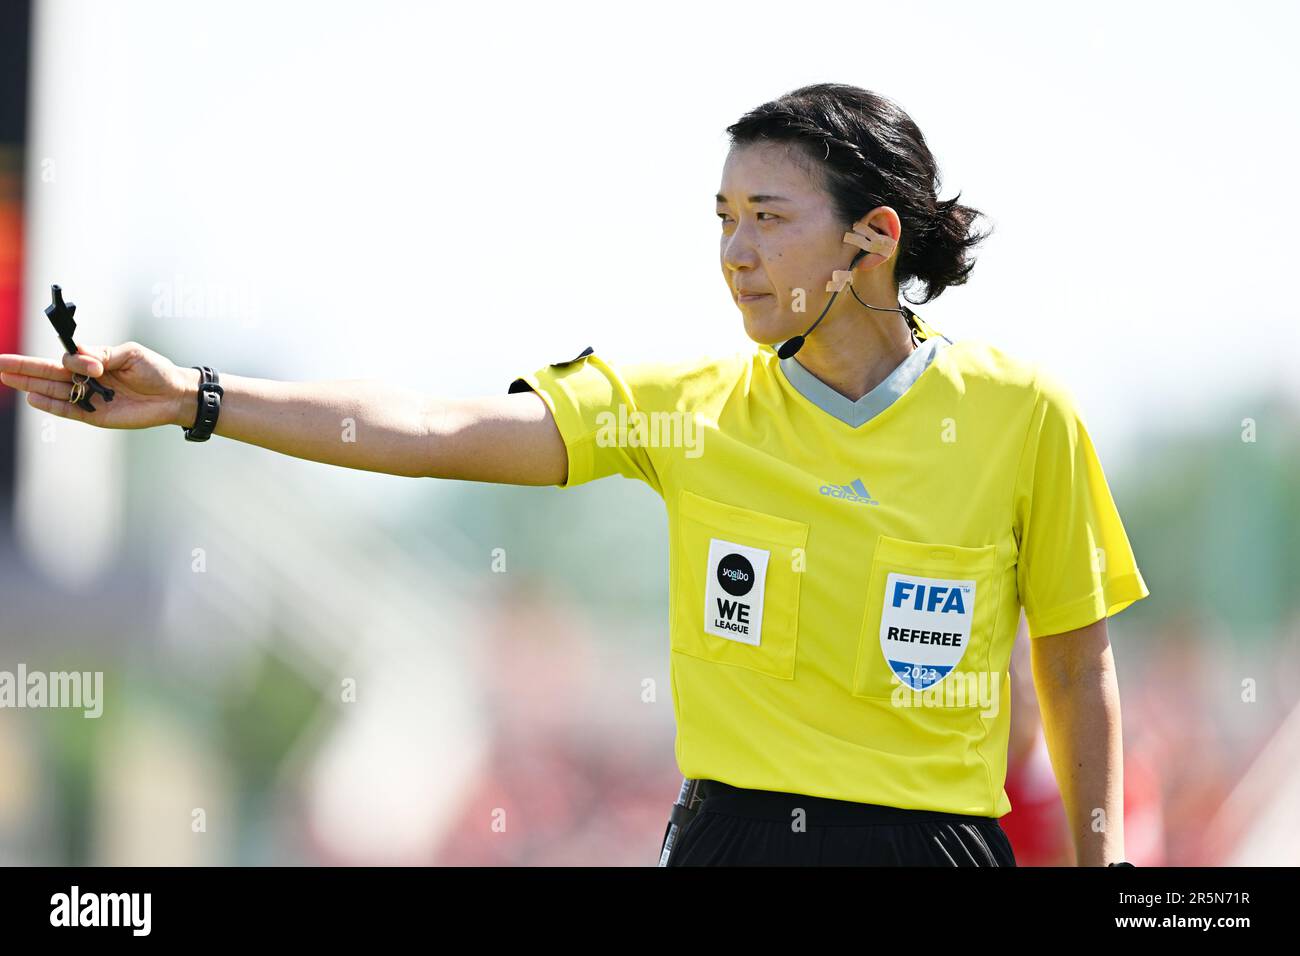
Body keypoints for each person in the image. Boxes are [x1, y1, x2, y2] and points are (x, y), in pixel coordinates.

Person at [0, 82, 1149, 866]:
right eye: (722, 219)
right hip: (731, 843)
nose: (734, 253)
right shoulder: (684, 407)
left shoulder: (1020, 415)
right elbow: (429, 426)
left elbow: (1075, 661)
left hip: (933, 845)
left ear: (872, 238)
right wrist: (202, 396)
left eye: (767, 217)